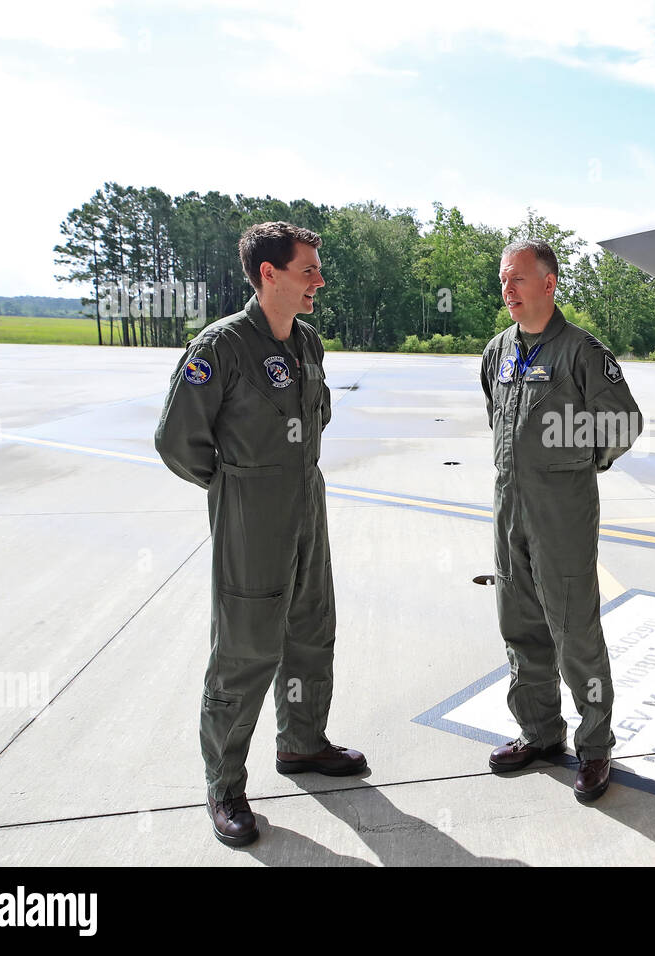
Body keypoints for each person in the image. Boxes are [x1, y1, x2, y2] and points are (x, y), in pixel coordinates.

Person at [155, 221, 366, 847]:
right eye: (308, 271)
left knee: (310, 630)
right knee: (246, 649)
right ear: (267, 274)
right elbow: (178, 441)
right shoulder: (219, 348)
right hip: (251, 512)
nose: (319, 283)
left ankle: (302, 743)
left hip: (308, 502)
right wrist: (236, 489)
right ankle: (224, 785)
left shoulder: (308, 343)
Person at [480, 239, 642, 802]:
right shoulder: (497, 351)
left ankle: (595, 747)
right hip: (508, 511)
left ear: (548, 284)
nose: (508, 290)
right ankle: (540, 732)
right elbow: (496, 416)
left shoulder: (580, 352)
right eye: (503, 279)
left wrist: (574, 460)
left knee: (574, 630)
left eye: (518, 280)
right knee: (519, 624)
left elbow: (624, 422)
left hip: (563, 514)